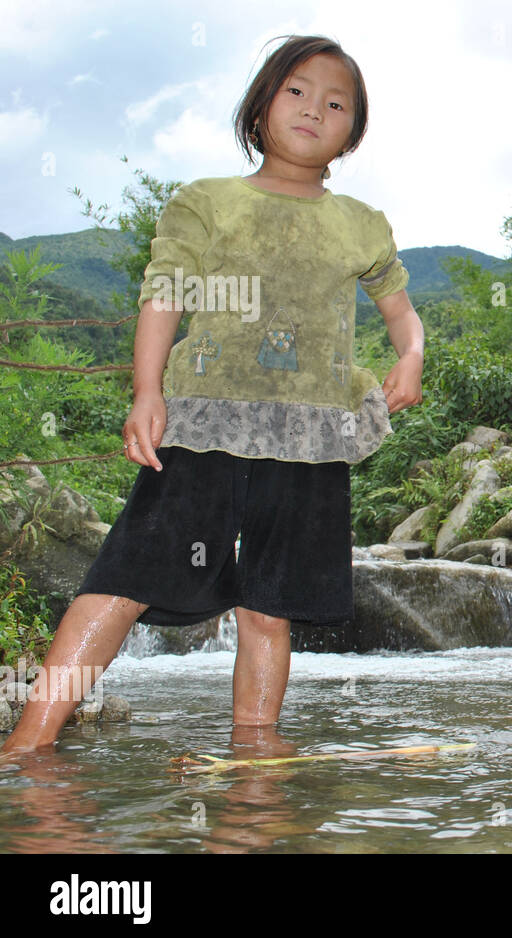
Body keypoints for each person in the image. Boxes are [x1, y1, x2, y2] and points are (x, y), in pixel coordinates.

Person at [3, 35, 424, 751]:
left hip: (310, 436)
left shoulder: (362, 223)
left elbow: (400, 307)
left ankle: (253, 755)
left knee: (270, 608)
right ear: (259, 105)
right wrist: (145, 389)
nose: (313, 110)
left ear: (352, 132)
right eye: (296, 91)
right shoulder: (205, 202)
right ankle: (30, 742)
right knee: (125, 576)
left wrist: (411, 354)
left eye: (336, 103)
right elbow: (163, 293)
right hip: (203, 421)